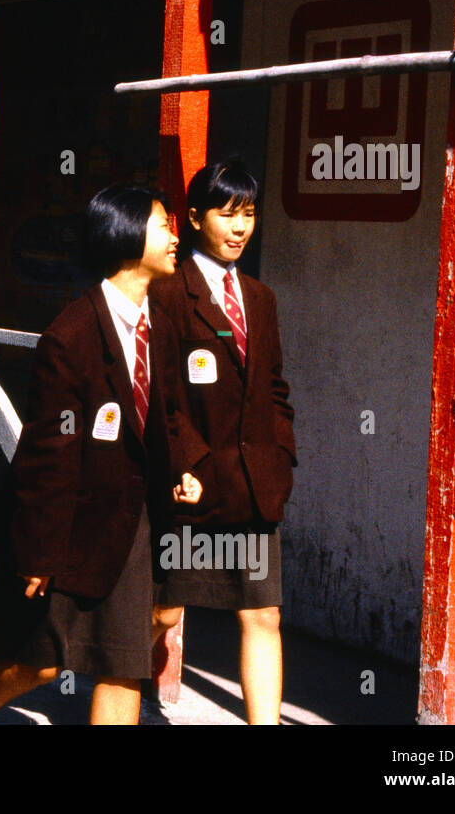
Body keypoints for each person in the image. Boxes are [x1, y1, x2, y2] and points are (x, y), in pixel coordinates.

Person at [0, 184, 198, 726]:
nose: (175, 236)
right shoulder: (72, 335)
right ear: (125, 234)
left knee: (123, 662)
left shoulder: (162, 326)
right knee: (40, 663)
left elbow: (171, 417)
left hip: (137, 524)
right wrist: (39, 552)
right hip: (71, 527)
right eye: (163, 224)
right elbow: (49, 456)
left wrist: (184, 468)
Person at [148, 160, 297, 725]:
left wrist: (282, 456)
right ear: (192, 219)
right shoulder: (167, 292)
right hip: (193, 486)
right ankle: (120, 686)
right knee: (163, 613)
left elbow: (276, 388)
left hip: (255, 488)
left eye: (249, 215)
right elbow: (157, 391)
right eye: (226, 214)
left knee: (262, 616)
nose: (239, 228)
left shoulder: (261, 298)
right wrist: (184, 462)